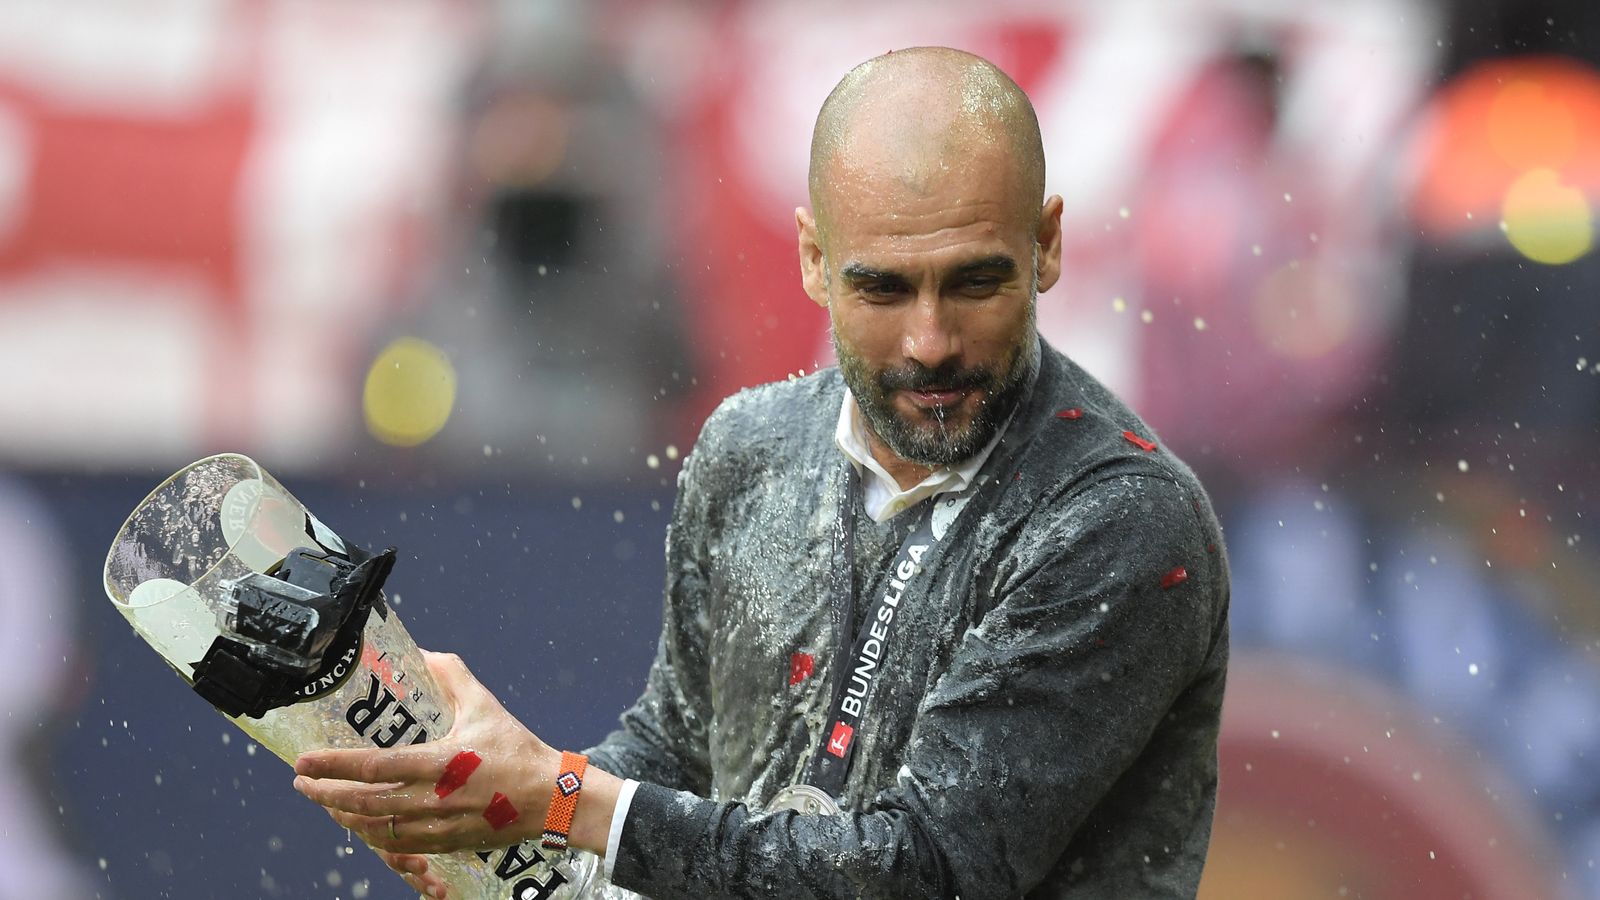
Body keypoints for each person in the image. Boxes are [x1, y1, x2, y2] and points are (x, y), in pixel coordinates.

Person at [293, 47, 1231, 899]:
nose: (930, 340)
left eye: (975, 281)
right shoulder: (748, 447)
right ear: (814, 259)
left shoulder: (1121, 520)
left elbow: (931, 875)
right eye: (884, 287)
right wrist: (497, 816)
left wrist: (565, 801)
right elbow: (677, 753)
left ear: (1049, 245)